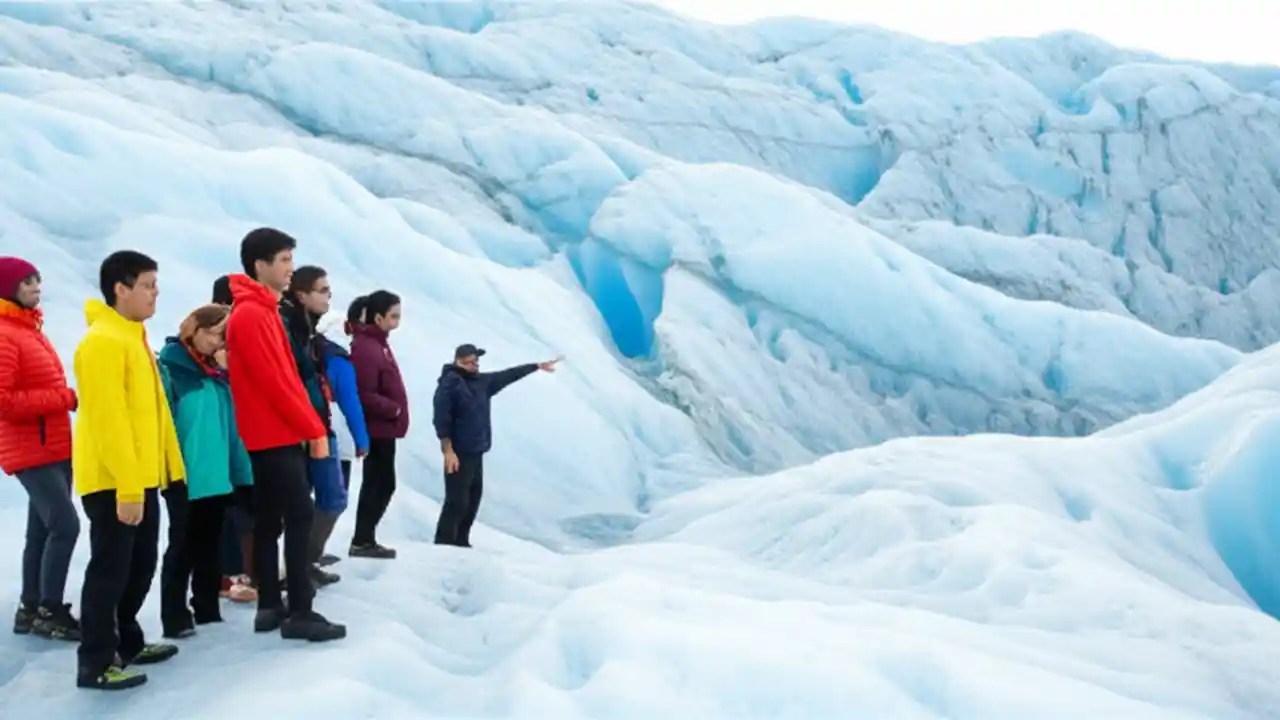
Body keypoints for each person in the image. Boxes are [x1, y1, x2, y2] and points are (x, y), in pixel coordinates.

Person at [225, 227, 344, 642]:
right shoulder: (254, 314)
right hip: (274, 433)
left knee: (271, 520)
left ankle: (270, 606)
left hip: (267, 433)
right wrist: (314, 429)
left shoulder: (260, 309)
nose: (291, 269)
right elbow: (279, 381)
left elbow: (285, 377)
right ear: (261, 265)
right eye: (284, 260)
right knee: (299, 516)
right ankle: (300, 610)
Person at [74, 250, 184, 690]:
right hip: (115, 482)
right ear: (121, 289)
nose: (155, 293)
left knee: (139, 566)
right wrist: (128, 487)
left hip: (141, 478)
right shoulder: (103, 341)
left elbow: (154, 414)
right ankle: (96, 661)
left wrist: (169, 471)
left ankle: (128, 641)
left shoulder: (132, 336)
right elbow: (109, 421)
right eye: (148, 285)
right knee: (110, 569)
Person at [156, 305, 253, 639]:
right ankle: (174, 614)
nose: (217, 341)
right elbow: (163, 422)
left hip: (217, 472)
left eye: (223, 336)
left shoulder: (214, 370)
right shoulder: (170, 367)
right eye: (212, 332)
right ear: (193, 328)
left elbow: (230, 423)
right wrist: (166, 469)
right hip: (185, 472)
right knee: (182, 545)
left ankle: (207, 607)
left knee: (210, 543)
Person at [0, 257, 81, 641]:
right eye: (26, 281)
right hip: (31, 449)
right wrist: (63, 398)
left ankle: (30, 608)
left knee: (41, 530)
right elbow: (5, 402)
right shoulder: (5, 334)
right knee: (65, 525)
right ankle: (50, 610)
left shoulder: (28, 329)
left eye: (37, 279)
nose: (35, 286)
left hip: (51, 446)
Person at [432, 344, 561, 548]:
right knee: (457, 501)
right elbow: (441, 419)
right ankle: (444, 544)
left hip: (477, 451)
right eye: (469, 362)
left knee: (473, 499)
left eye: (476, 362)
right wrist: (448, 451)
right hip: (459, 452)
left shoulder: (482, 382)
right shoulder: (450, 384)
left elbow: (508, 375)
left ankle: (461, 541)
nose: (474, 365)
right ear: (458, 361)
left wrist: (536, 366)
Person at [281, 266, 345, 586]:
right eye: (322, 290)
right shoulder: (291, 328)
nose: (328, 296)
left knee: (324, 499)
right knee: (323, 500)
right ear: (302, 294)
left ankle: (304, 563)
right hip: (306, 428)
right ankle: (299, 569)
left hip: (317, 425)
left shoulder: (305, 329)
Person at [348, 291, 406, 559]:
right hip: (378, 427)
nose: (397, 322)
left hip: (384, 427)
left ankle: (364, 538)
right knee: (379, 483)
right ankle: (362, 540)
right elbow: (364, 391)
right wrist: (392, 408)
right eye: (393, 316)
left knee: (381, 482)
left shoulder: (377, 343)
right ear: (378, 317)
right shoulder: (367, 347)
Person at [210, 275, 255, 604]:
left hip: (243, 436)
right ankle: (228, 574)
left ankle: (243, 569)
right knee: (228, 510)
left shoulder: (238, 335)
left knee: (247, 505)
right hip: (224, 438)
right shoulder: (213, 341)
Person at [314, 305, 369, 567]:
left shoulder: (312, 354)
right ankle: (310, 556)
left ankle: (307, 555)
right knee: (335, 495)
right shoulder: (339, 360)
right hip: (337, 434)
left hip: (311, 430)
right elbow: (350, 402)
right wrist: (362, 439)